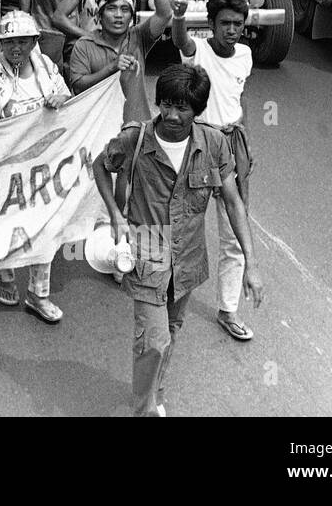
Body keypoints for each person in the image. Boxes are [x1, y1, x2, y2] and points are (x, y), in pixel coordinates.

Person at [92, 65, 265, 417]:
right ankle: (144, 410)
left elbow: (232, 201)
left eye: (182, 108)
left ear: (197, 110)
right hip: (147, 249)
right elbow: (100, 166)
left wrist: (251, 264)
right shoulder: (135, 138)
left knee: (170, 330)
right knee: (153, 340)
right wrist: (115, 215)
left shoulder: (213, 143)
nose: (171, 115)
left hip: (187, 257)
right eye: (166, 104)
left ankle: (155, 395)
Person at [0, 10, 71, 321]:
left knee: (45, 225)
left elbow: (67, 96)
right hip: (2, 163)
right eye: (9, 42)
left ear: (35, 41)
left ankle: (39, 293)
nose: (17, 48)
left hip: (42, 164)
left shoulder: (46, 67)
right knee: (4, 223)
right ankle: (4, 274)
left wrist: (61, 98)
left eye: (23, 41)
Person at [172, 0, 257, 342]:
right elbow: (181, 39)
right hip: (200, 145)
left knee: (234, 232)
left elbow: (239, 98)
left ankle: (228, 310)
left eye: (238, 24)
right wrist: (178, 16)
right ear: (211, 25)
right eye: (225, 23)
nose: (232, 30)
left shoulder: (246, 55)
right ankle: (162, 284)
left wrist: (245, 146)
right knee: (182, 223)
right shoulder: (199, 51)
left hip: (231, 146)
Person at [67, 0, 172, 124]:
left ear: (131, 17)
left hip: (137, 127)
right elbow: (78, 87)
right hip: (98, 128)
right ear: (99, 16)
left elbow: (164, 14)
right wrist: (111, 68)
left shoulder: (138, 36)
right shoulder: (84, 45)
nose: (118, 15)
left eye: (124, 10)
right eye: (111, 9)